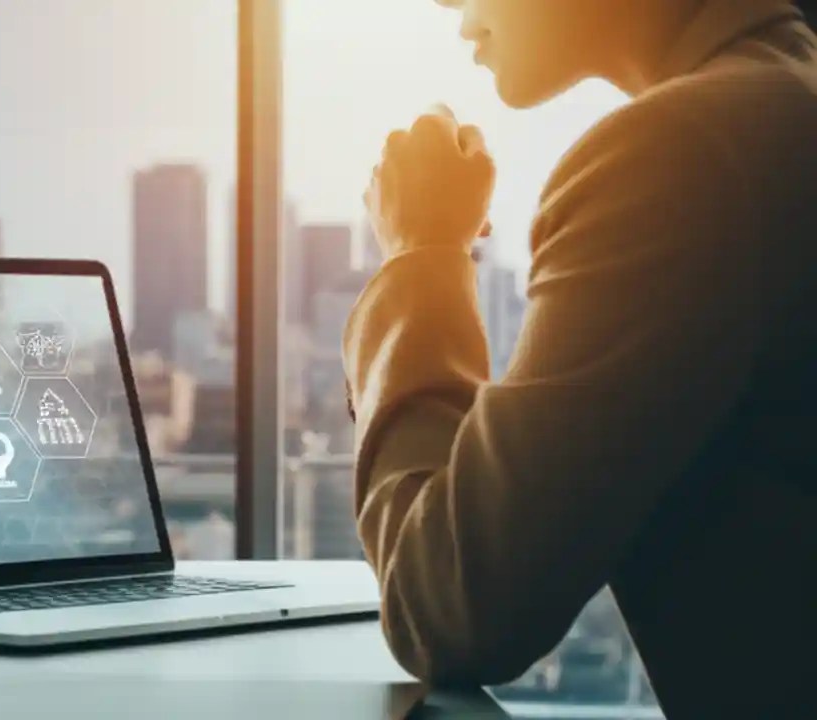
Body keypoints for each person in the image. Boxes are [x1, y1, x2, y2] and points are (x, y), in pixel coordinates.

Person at [347, 0, 817, 715]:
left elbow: (453, 605)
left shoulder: (685, 151)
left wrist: (421, 255)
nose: (446, 5)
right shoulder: (783, 96)